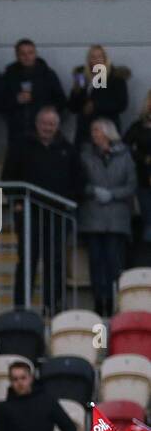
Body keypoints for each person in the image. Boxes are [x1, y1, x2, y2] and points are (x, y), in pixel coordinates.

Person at [2, 105, 82, 314]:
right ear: (37, 124)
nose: (48, 127)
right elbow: (7, 178)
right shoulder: (22, 146)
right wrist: (16, 202)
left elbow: (78, 181)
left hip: (58, 216)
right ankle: (21, 308)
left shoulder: (68, 149)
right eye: (45, 123)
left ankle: (52, 306)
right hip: (29, 215)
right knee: (27, 260)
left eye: (53, 124)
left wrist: (68, 204)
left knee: (55, 262)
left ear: (58, 126)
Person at [79, 118, 138, 316]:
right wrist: (92, 190)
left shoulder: (124, 155)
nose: (94, 134)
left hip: (116, 219)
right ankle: (99, 304)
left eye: (97, 130)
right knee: (96, 265)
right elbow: (78, 181)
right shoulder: (86, 155)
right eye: (93, 130)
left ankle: (115, 304)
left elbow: (131, 185)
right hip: (93, 218)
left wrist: (112, 194)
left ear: (107, 132)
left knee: (114, 264)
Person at [0, 39, 66, 147]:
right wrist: (16, 100)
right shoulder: (9, 75)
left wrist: (48, 111)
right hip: (17, 132)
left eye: (30, 53)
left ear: (35, 53)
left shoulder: (47, 74)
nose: (27, 57)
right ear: (17, 55)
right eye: (22, 54)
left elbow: (61, 101)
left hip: (43, 132)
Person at [68, 45, 129, 148]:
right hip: (84, 131)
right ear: (88, 60)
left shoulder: (115, 78)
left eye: (100, 57)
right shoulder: (82, 76)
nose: (96, 60)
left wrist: (96, 105)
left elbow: (122, 104)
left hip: (106, 130)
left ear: (105, 59)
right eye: (93, 57)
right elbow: (73, 106)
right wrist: (76, 90)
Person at [124, 92, 151, 250]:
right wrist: (143, 158)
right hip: (143, 177)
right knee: (148, 219)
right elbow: (125, 145)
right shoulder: (138, 125)